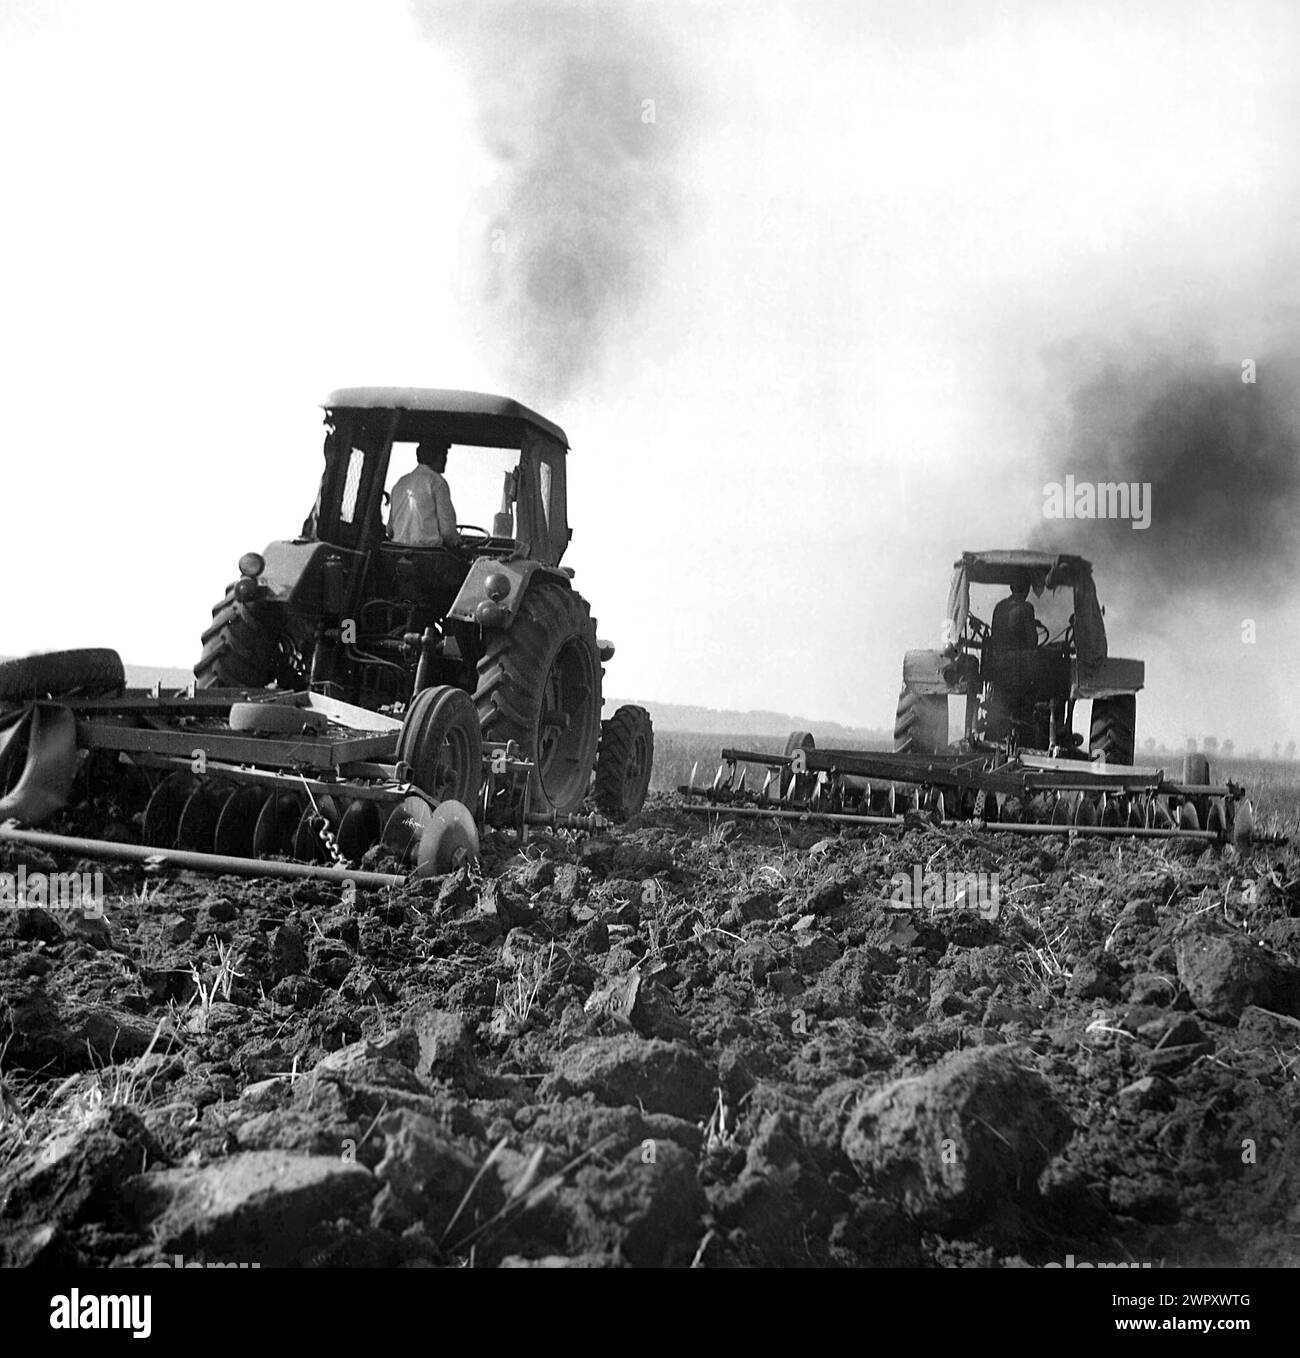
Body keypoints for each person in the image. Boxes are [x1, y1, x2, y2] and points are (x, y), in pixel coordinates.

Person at [388, 441, 462, 548]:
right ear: (437, 456)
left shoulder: (400, 483)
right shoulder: (437, 482)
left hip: (396, 552)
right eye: (444, 455)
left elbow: (390, 530)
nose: (445, 460)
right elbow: (447, 532)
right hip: (427, 556)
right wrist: (460, 545)